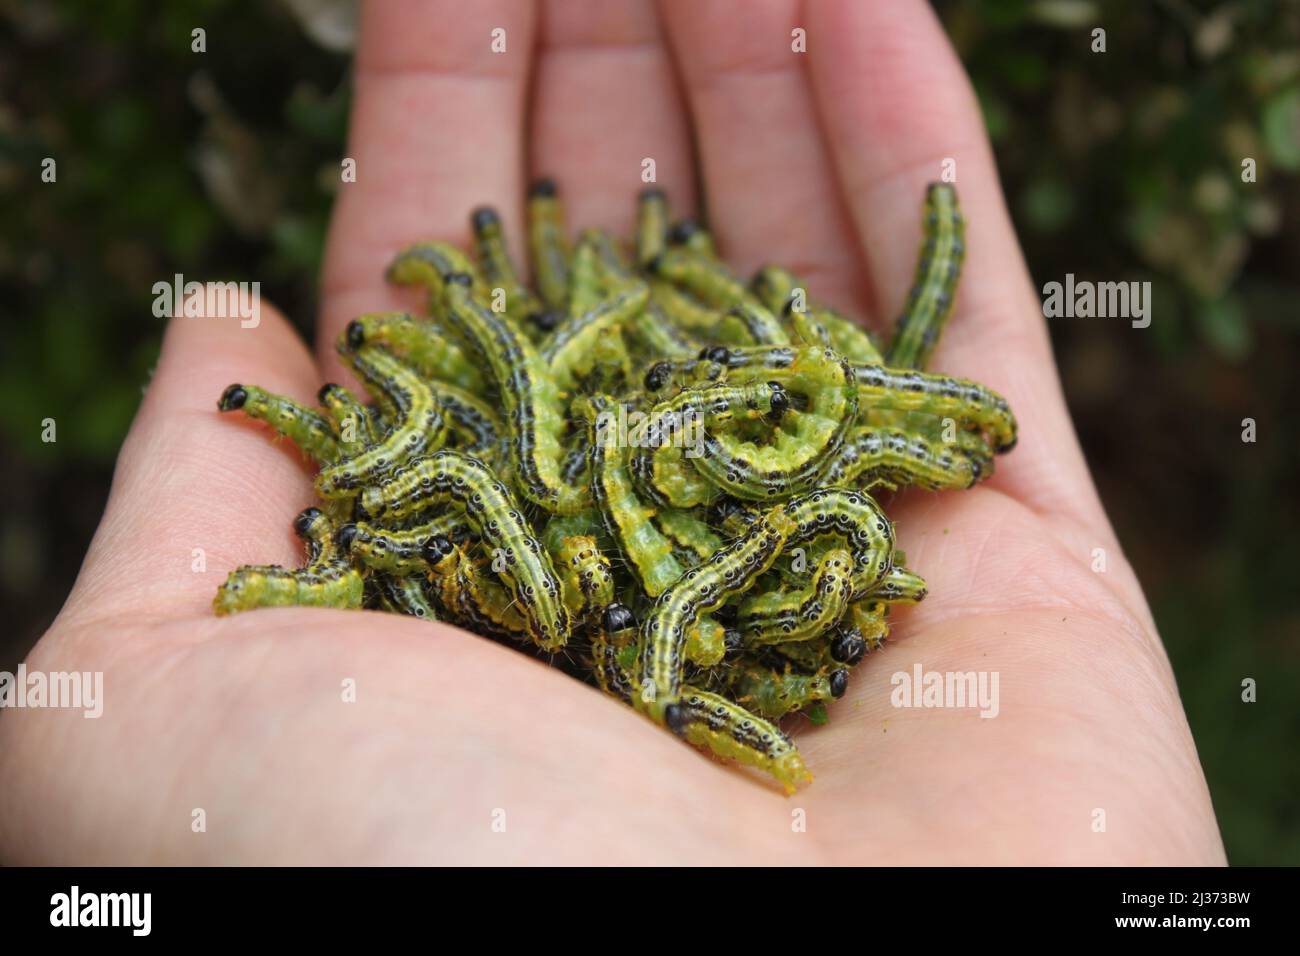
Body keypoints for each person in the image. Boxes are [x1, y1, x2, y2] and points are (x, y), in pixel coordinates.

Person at [0, 0, 1224, 864]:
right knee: (547, 470)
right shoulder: (501, 492)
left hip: (692, 496)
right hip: (598, 487)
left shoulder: (777, 496)